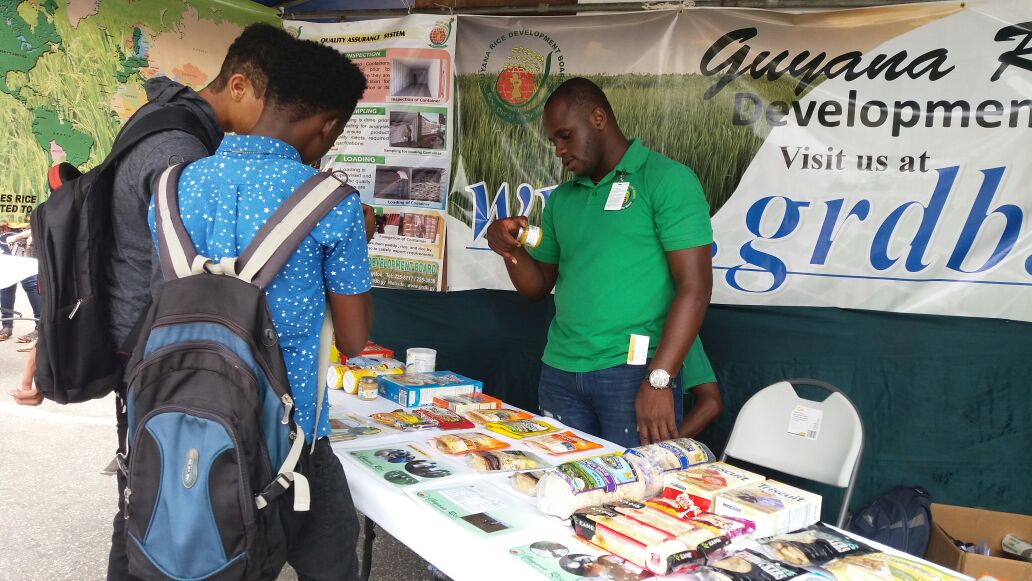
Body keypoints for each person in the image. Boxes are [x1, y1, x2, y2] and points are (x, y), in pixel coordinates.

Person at [9, 22, 296, 580]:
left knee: (143, 487)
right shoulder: (180, 150)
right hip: (152, 343)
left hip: (137, 333)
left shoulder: (163, 118)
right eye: (273, 109)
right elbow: (200, 267)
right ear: (239, 85)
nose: (273, 129)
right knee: (157, 496)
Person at [148, 36, 371, 580]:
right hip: (292, 443)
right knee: (332, 564)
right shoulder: (333, 204)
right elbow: (354, 340)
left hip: (187, 419)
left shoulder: (172, 186)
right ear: (328, 126)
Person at [486, 77, 722, 448]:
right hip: (560, 371)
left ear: (599, 118)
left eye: (565, 136)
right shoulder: (562, 199)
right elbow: (536, 287)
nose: (559, 150)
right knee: (565, 490)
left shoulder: (666, 180)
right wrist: (509, 250)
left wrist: (659, 378)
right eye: (553, 142)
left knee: (634, 494)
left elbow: (695, 287)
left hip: (632, 374)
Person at [0, 223, 39, 345]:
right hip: (5, 237)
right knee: (6, 282)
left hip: (25, 237)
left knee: (29, 282)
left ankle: (40, 326)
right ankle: (6, 325)